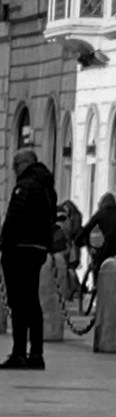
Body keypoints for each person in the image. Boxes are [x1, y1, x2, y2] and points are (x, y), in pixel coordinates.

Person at [1, 145, 57, 370]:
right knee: (32, 302)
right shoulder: (47, 187)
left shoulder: (25, 186)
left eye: (16, 165)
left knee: (18, 302)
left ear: (25, 164)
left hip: (20, 248)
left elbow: (14, 218)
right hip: (38, 248)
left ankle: (19, 352)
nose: (14, 170)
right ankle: (36, 353)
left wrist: (4, 243)